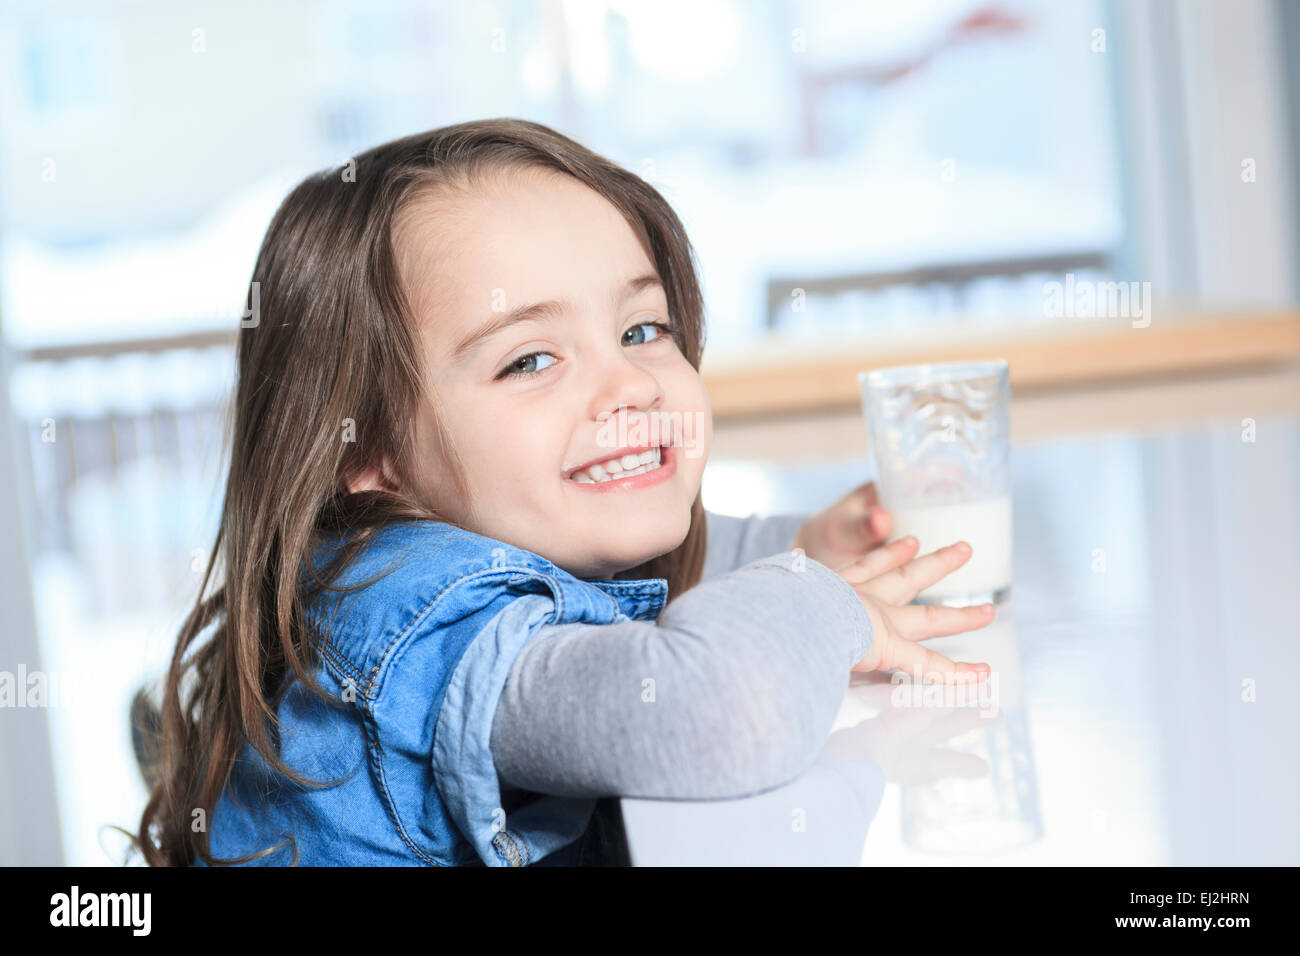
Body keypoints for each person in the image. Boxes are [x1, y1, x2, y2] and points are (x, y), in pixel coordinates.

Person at [130, 118, 993, 867]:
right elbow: (718, 713)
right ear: (368, 450)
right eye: (531, 359)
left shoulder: (454, 536)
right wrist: (823, 602)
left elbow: (616, 577)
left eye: (641, 329)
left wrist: (801, 542)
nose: (631, 385)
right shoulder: (434, 620)